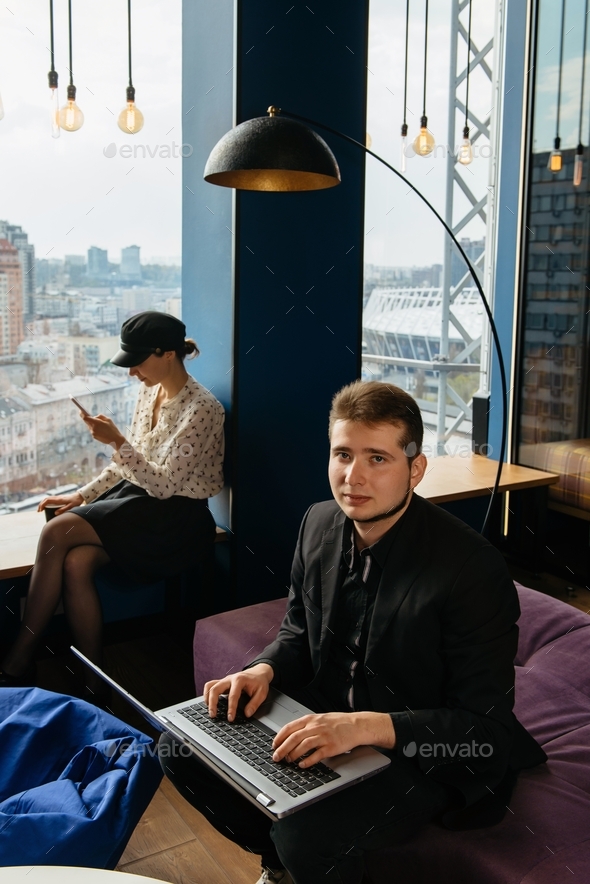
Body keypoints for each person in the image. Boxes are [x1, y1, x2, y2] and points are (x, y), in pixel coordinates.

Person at [158, 380, 546, 884]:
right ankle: (280, 867)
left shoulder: (472, 570)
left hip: (418, 752)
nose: (352, 477)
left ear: (417, 468)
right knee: (178, 749)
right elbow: (299, 629)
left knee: (304, 836)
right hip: (328, 715)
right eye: (342, 454)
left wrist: (362, 727)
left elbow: (485, 734)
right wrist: (263, 669)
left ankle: (290, 858)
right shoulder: (318, 523)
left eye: (377, 459)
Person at [0, 312, 224, 698]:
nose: (132, 373)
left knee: (57, 530)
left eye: (138, 362)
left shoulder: (203, 408)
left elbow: (165, 485)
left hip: (178, 518)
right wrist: (83, 494)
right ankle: (95, 679)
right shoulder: (148, 391)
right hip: (140, 502)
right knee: (75, 562)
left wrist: (117, 441)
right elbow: (129, 467)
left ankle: (19, 658)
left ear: (167, 353)